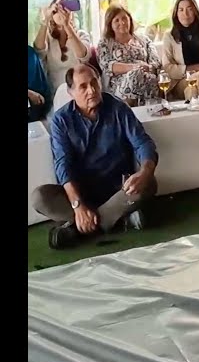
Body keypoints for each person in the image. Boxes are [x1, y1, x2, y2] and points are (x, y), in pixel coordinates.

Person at [35, 64, 158, 249]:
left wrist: (145, 171)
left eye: (94, 83)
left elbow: (143, 143)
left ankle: (77, 228)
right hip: (80, 193)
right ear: (71, 92)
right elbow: (62, 164)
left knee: (149, 183)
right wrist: (77, 205)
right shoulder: (62, 120)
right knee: (39, 197)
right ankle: (114, 219)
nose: (91, 90)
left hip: (119, 189)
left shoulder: (118, 108)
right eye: (83, 86)